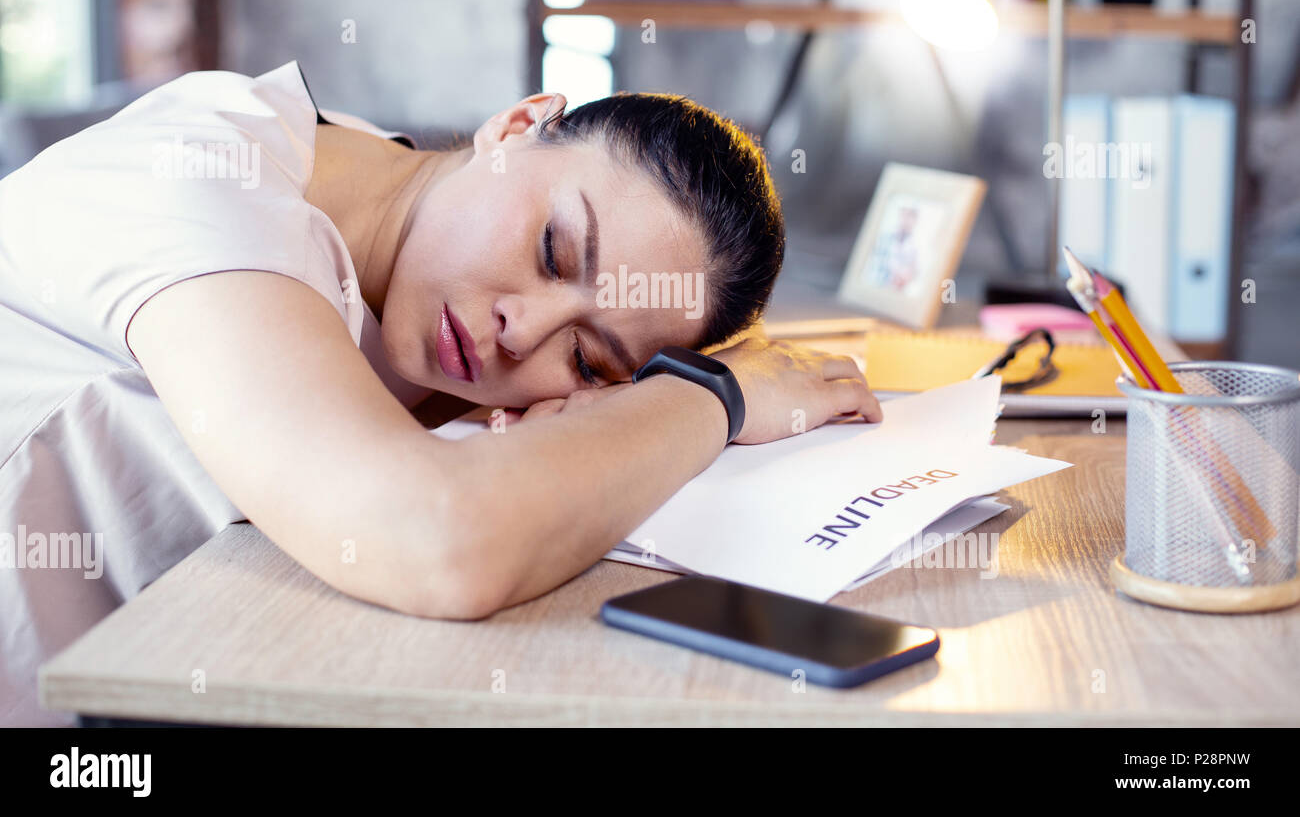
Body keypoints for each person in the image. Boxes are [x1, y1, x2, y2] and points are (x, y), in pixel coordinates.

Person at [0, 61, 880, 725]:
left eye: (587, 361)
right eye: (554, 253)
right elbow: (437, 540)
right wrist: (710, 397)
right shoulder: (202, 180)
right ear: (522, 124)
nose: (522, 332)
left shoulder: (389, 214)